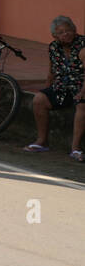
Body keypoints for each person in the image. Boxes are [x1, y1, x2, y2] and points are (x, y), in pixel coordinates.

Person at [25, 15, 85, 161]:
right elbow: (52, 71)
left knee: (82, 105)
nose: (66, 34)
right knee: (39, 99)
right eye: (61, 32)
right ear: (55, 35)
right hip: (62, 87)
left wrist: (83, 92)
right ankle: (42, 141)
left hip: (81, 86)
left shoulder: (83, 45)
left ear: (74, 30)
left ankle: (75, 149)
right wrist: (47, 89)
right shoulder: (53, 47)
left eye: (69, 30)